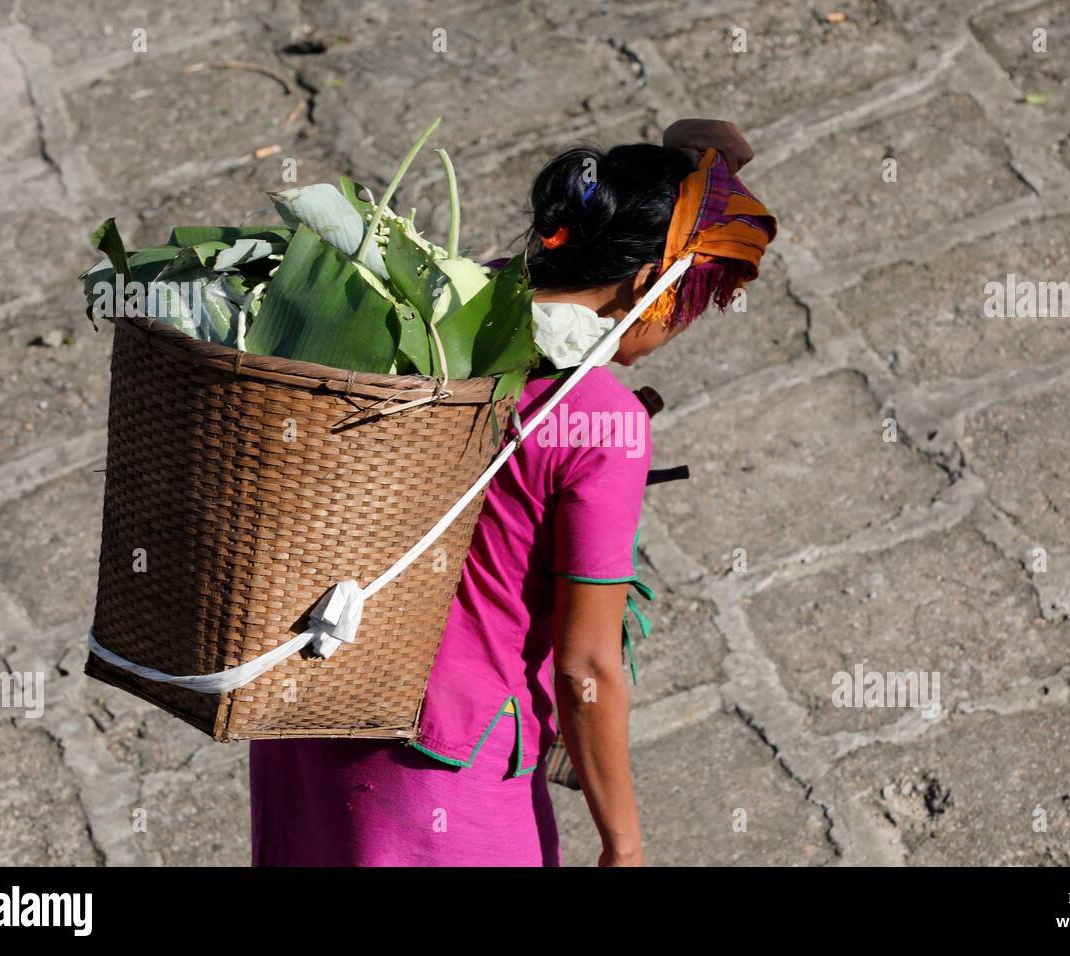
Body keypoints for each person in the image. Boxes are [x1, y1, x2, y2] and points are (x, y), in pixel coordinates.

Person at [249, 119, 777, 867]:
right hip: (440, 767)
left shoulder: (451, 306)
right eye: (688, 305)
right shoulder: (602, 425)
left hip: (311, 709)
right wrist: (624, 845)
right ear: (644, 288)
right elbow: (586, 668)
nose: (682, 327)